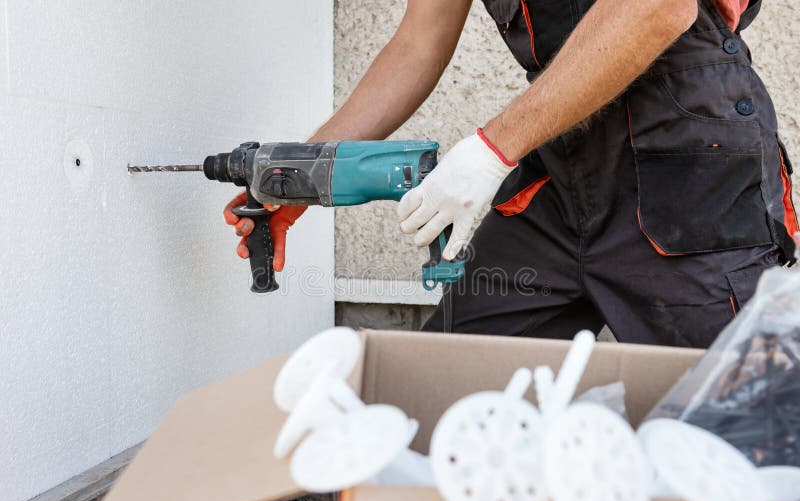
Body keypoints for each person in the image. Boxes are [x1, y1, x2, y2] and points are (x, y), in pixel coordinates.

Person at [224, 0, 798, 348]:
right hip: (562, 174)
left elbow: (658, 8)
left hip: (691, 177)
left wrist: (489, 151)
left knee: (740, 432)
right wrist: (301, 173)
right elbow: (417, 44)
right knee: (439, 401)